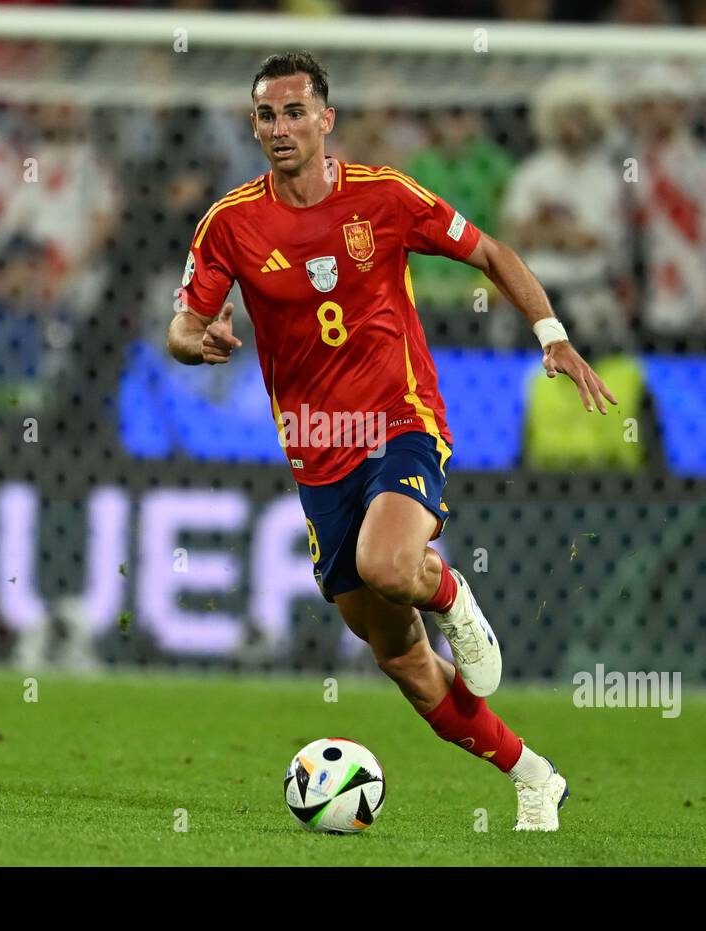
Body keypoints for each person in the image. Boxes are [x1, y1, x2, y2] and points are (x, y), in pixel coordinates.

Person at [166, 52, 616, 831]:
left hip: (400, 422)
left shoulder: (385, 197)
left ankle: (452, 594)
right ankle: (533, 775)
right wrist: (194, 338)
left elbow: (490, 253)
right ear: (254, 125)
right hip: (314, 452)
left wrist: (551, 334)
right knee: (403, 661)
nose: (281, 128)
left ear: (325, 120)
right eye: (267, 115)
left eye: (295, 112)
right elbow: (180, 324)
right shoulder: (232, 223)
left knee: (390, 564)